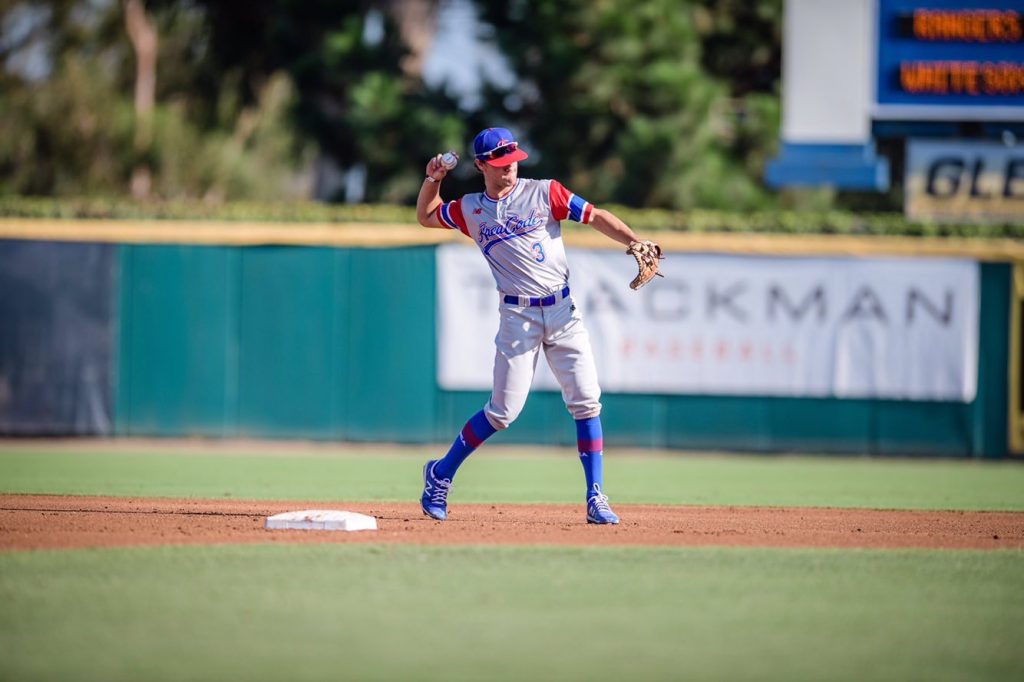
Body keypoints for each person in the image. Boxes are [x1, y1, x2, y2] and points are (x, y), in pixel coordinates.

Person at [415, 127, 659, 525]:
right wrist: (433, 179)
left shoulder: (545, 192)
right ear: (481, 166)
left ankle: (596, 496)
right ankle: (440, 474)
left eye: (512, 160)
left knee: (586, 402)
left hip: (563, 312)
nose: (509, 168)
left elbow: (594, 215)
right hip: (518, 317)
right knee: (502, 412)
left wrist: (632, 240)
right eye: (499, 162)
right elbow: (426, 216)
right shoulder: (471, 209)